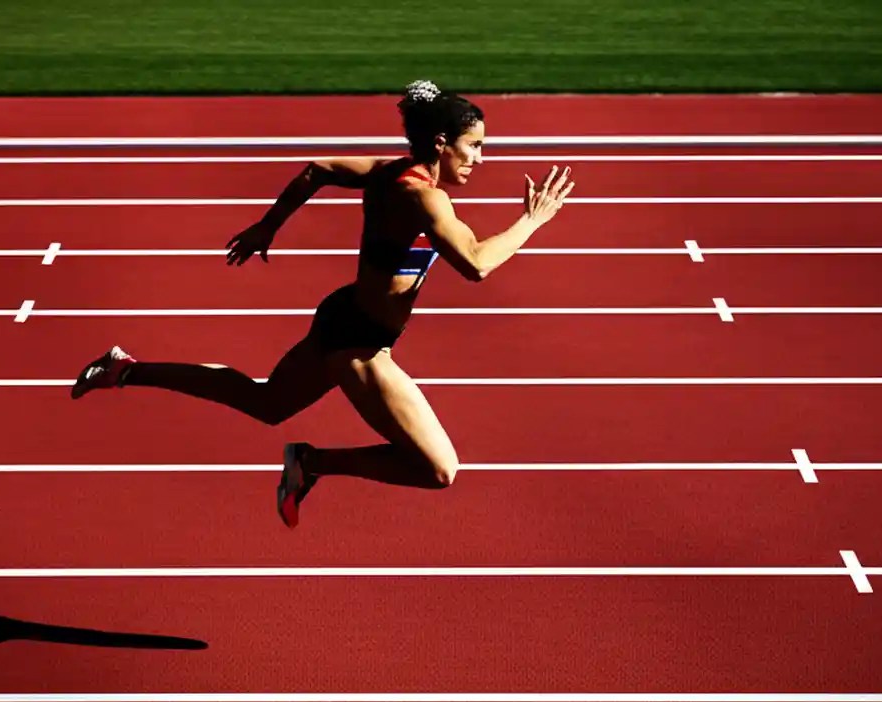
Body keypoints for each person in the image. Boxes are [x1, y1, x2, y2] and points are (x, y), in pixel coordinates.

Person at [70, 80, 576, 528]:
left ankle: (125, 370)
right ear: (442, 143)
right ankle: (311, 463)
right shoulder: (424, 197)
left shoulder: (389, 173)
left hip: (345, 316)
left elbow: (319, 170)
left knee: (264, 402)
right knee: (439, 469)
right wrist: (533, 219)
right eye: (475, 146)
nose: (481, 158)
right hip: (360, 344)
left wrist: (269, 225)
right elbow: (475, 263)